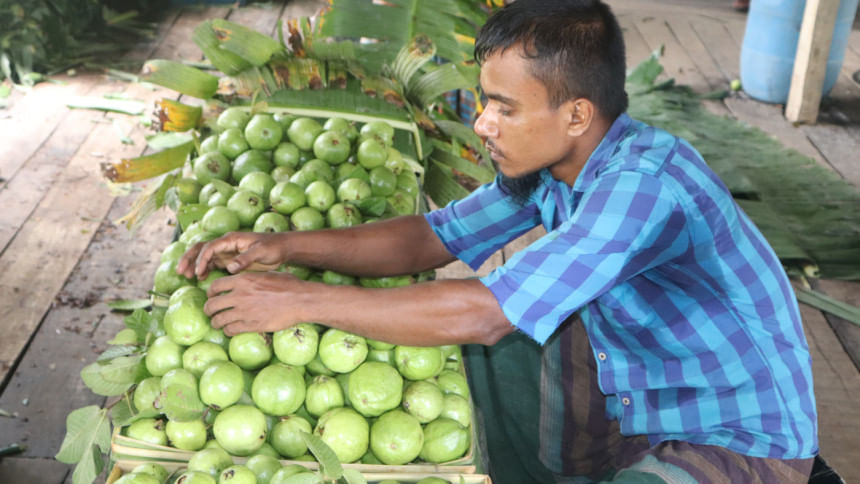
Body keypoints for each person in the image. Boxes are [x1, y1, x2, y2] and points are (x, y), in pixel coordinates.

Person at [177, 1, 818, 482]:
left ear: (575, 115)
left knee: (490, 339)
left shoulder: (641, 187)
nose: (483, 123)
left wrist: (299, 303)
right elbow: (431, 237)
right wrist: (288, 247)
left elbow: (483, 313)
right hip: (640, 376)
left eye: (504, 108)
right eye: (484, 101)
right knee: (495, 374)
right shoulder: (552, 166)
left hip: (733, 427)